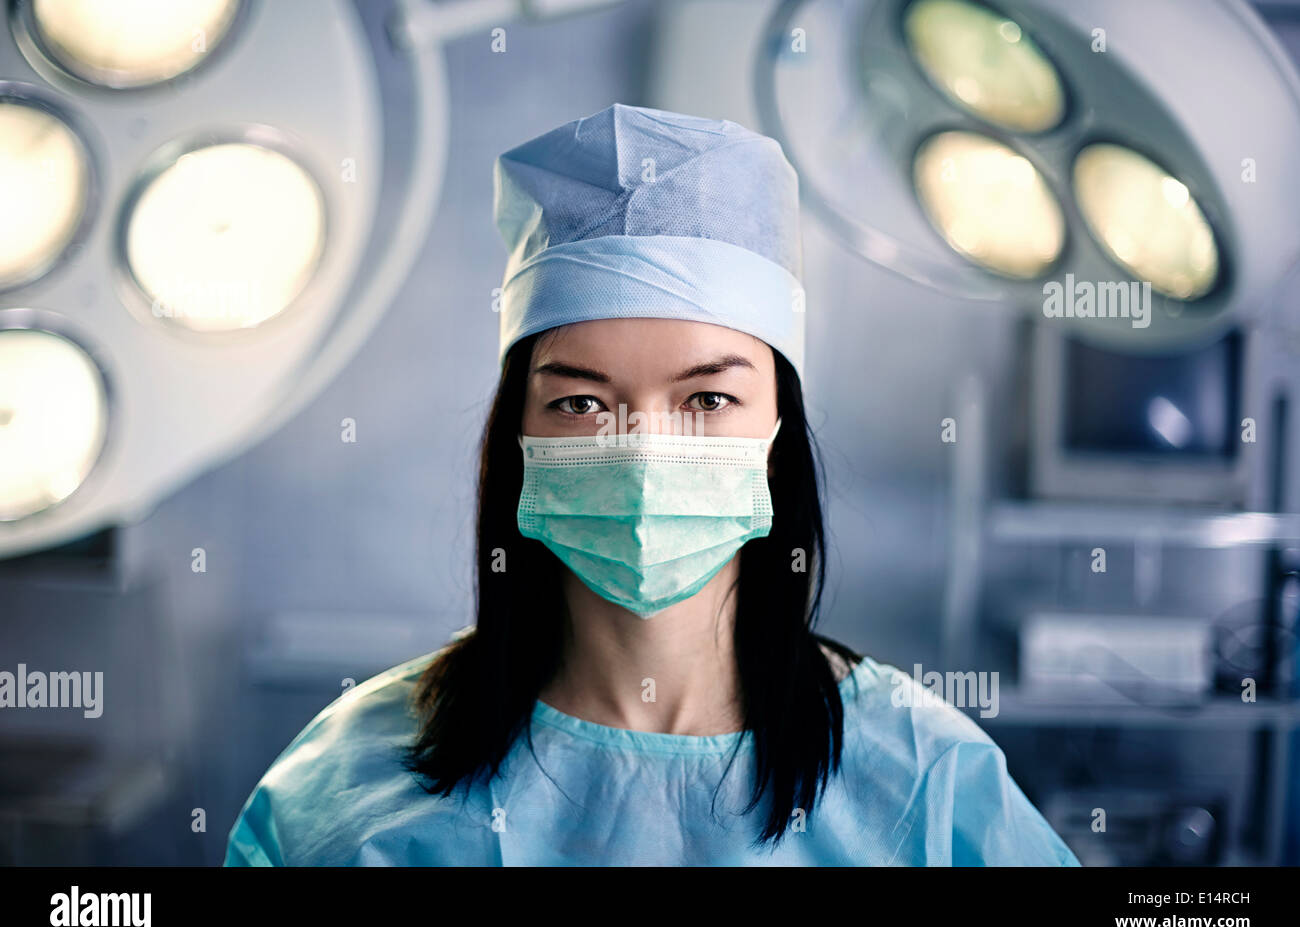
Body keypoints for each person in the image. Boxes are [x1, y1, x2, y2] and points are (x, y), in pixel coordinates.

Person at [224, 103, 1080, 866]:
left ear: (779, 431)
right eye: (582, 402)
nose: (642, 450)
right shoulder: (349, 792)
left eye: (707, 397)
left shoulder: (925, 782)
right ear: (516, 436)